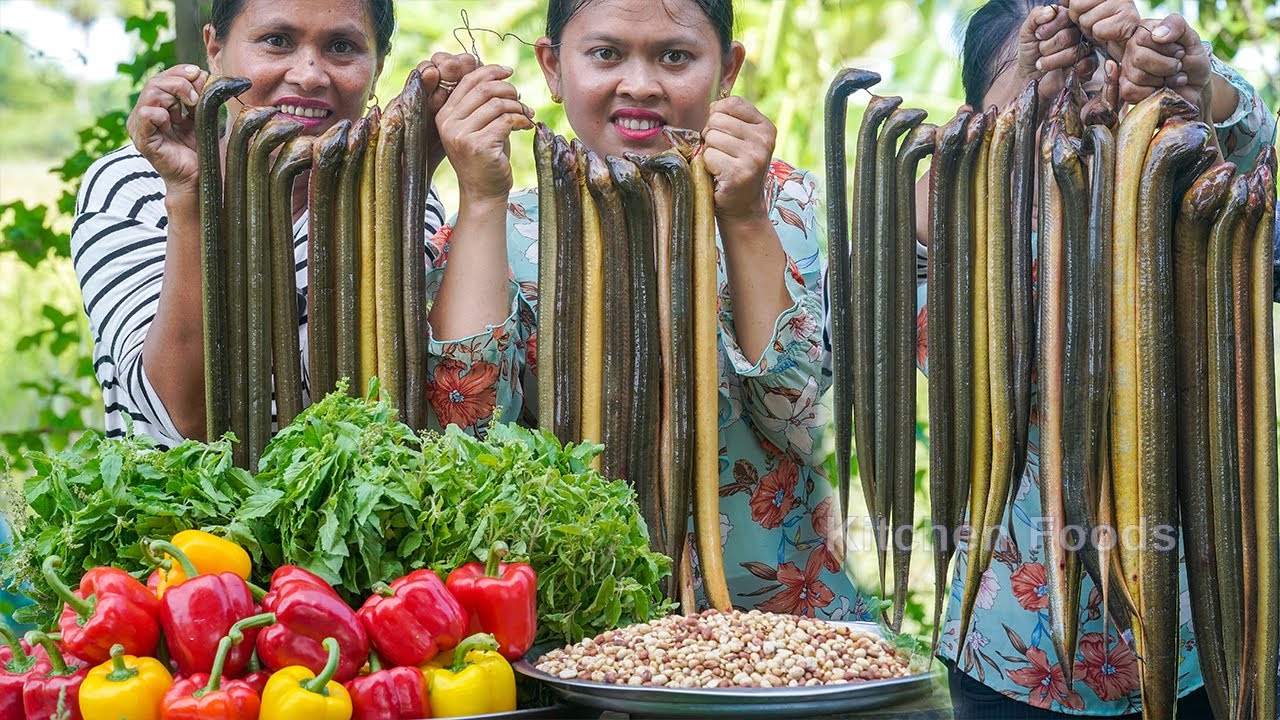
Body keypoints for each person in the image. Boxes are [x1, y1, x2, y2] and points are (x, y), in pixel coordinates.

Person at [422, 0, 865, 618]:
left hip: (777, 637)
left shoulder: (788, 206)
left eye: (675, 56)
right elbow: (461, 436)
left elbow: (801, 423)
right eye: (606, 54)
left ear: (728, 70)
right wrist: (479, 198)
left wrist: (743, 218)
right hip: (578, 637)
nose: (640, 85)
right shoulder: (503, 228)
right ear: (551, 68)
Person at [921, 1, 1276, 717]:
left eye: (1105, 88)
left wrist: (1196, 85)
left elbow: (1252, 161)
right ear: (975, 115)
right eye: (1050, 97)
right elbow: (920, 330)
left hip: (1205, 643)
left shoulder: (1187, 196)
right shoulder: (953, 225)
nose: (1085, 119)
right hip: (1011, 658)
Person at [71, 0, 473, 446]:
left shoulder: (400, 198)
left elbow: (363, 409)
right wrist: (189, 197)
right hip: (181, 516)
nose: (309, 75)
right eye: (276, 41)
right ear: (215, 48)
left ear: (377, 68)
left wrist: (399, 187)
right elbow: (188, 418)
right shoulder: (133, 186)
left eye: (342, 46)